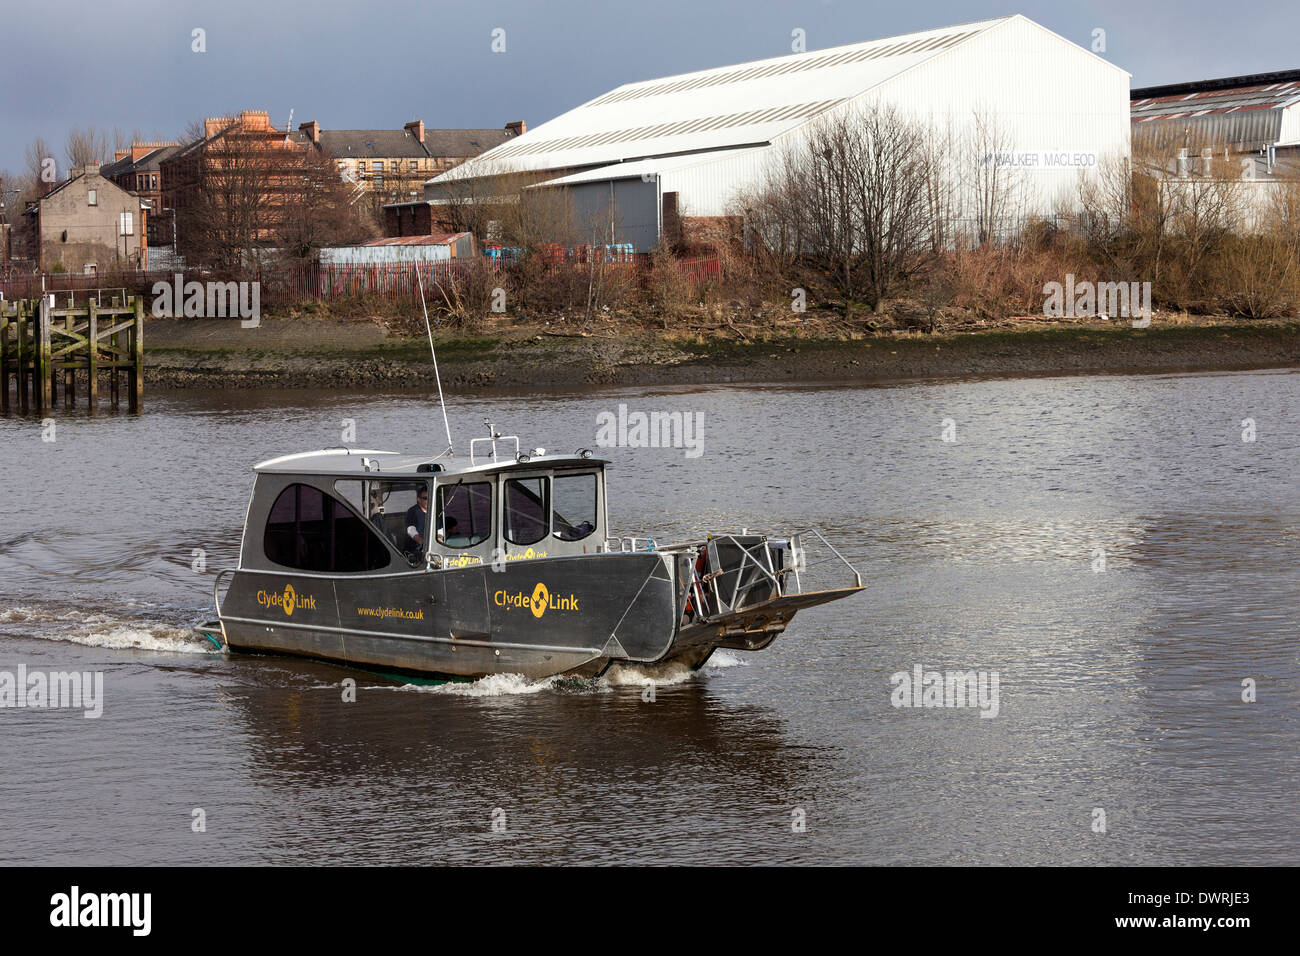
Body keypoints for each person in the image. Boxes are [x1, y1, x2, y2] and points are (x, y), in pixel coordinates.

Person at [403, 488, 431, 556]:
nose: (428, 500)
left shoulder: (434, 510)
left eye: (430, 497)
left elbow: (439, 528)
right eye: (425, 498)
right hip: (415, 548)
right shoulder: (412, 511)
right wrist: (422, 542)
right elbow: (411, 530)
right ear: (418, 499)